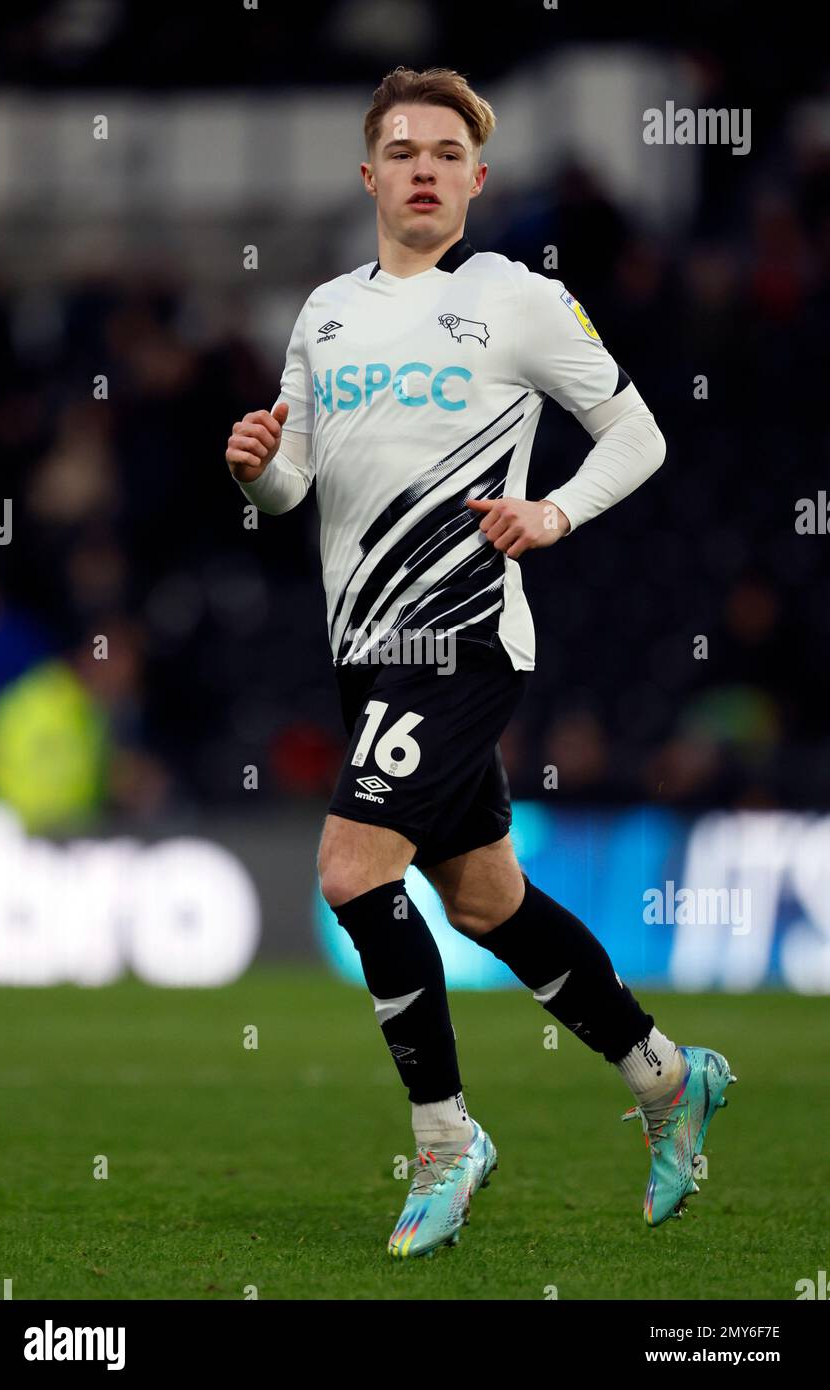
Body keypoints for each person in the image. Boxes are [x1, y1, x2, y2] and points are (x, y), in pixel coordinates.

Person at [225, 66, 736, 1259]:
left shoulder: (511, 297)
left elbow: (639, 432)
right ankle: (665, 1075)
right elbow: (293, 484)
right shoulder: (323, 314)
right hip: (364, 648)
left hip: (459, 638)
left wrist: (552, 514)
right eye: (401, 150)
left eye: (445, 153)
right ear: (368, 176)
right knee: (484, 897)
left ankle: (446, 1139)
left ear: (474, 180)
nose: (422, 168)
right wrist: (255, 468)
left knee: (352, 869)